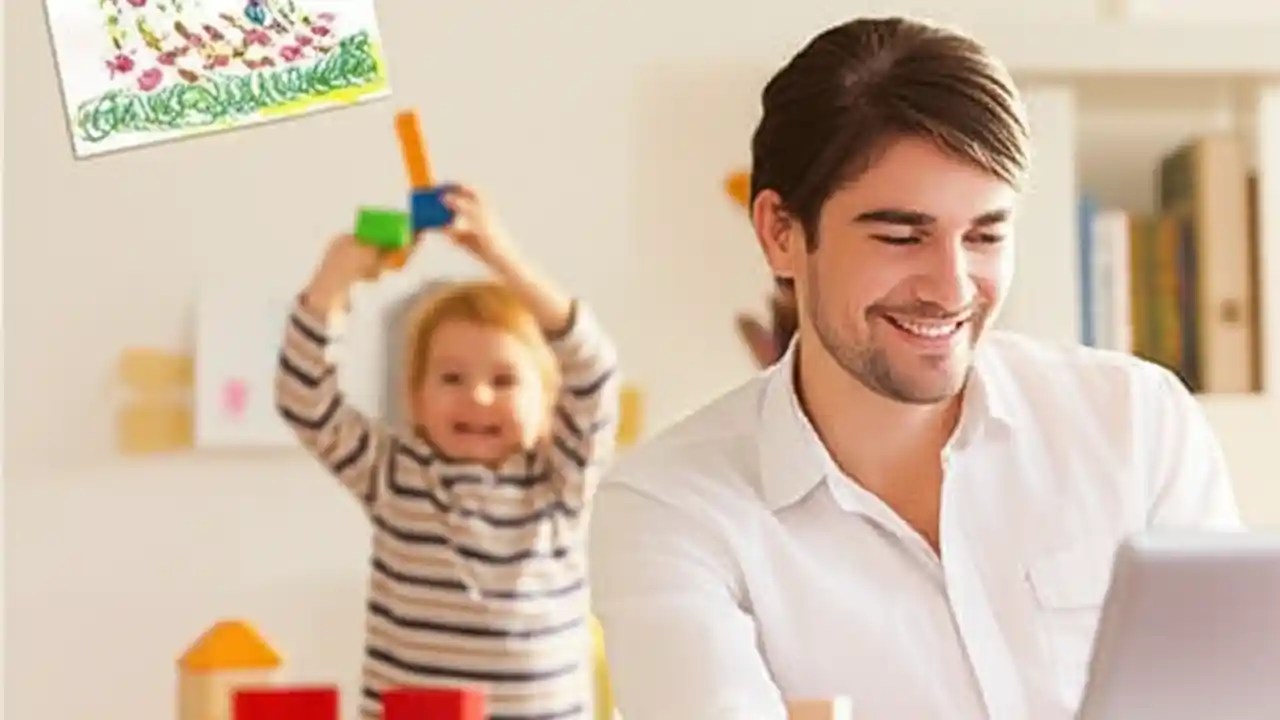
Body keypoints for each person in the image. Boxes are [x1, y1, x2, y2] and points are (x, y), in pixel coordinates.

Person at [586, 16, 1240, 720]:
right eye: (901, 236)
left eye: (986, 235)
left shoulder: (1136, 423)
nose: (951, 287)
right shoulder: (670, 509)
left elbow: (1235, 699)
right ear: (780, 233)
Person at [275, 185, 620, 719]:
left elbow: (594, 369)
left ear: (548, 402)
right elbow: (305, 400)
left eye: (504, 379)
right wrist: (332, 282)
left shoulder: (560, 479)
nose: (477, 395)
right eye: (451, 377)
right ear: (415, 397)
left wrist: (502, 256)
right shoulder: (394, 473)